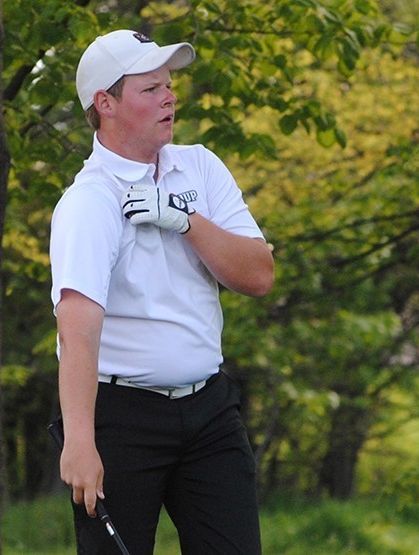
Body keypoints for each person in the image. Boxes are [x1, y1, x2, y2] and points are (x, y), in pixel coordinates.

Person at [49, 29, 274, 554]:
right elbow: (77, 330)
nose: (170, 97)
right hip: (121, 417)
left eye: (168, 85)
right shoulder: (89, 202)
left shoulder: (198, 166)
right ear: (105, 103)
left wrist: (185, 221)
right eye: (150, 89)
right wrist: (81, 441)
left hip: (210, 409)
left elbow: (259, 275)